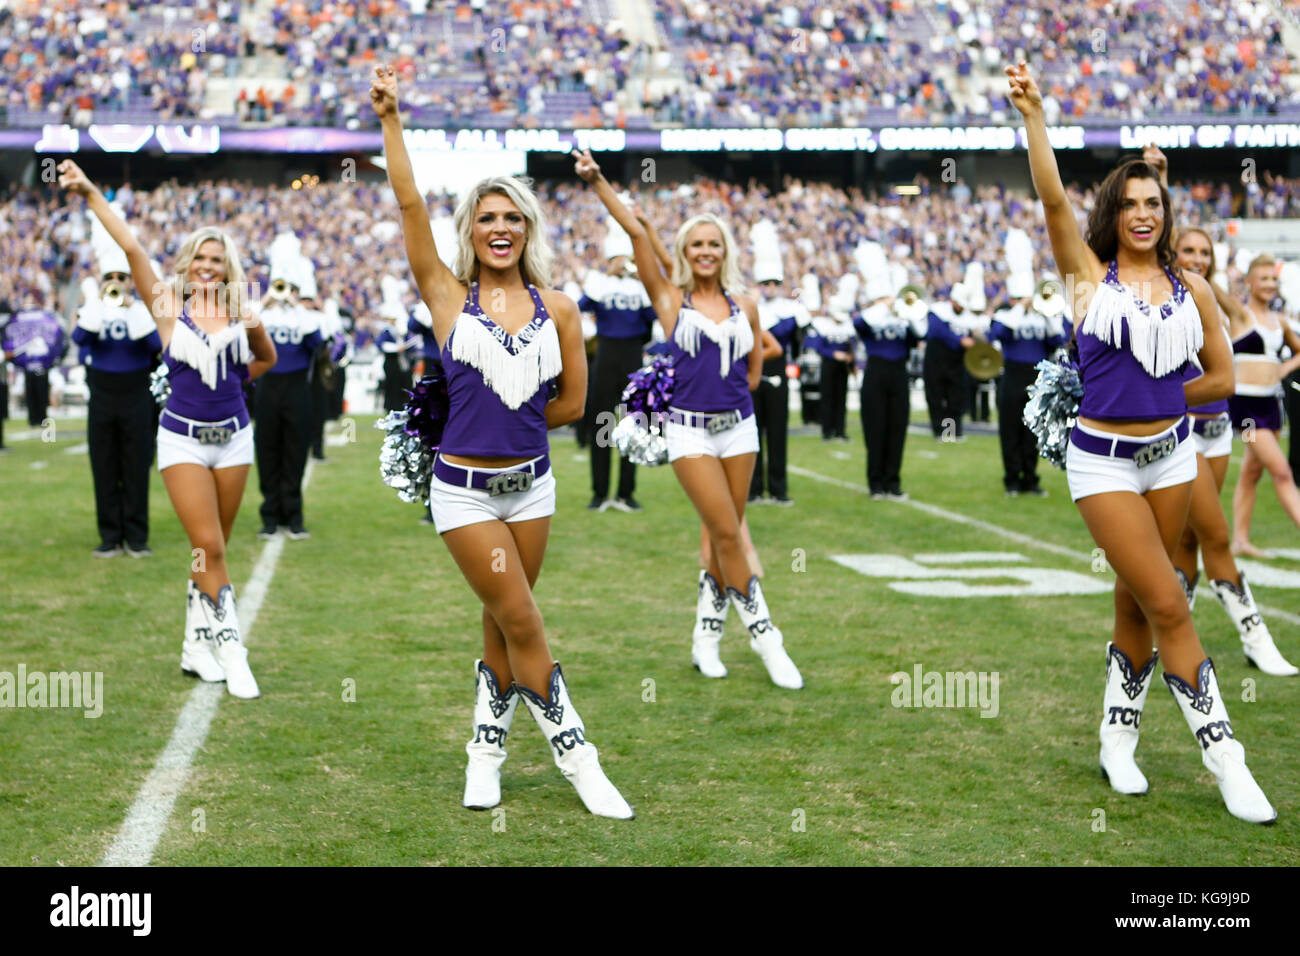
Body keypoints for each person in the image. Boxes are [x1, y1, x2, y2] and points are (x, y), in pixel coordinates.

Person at [1008, 61, 1275, 823]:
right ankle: (1228, 759)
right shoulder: (1085, 279)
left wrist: (1156, 395)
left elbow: (1221, 377)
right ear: (1113, 213)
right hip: (1104, 465)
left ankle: (1116, 737)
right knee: (1171, 603)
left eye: (1153, 202)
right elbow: (1052, 196)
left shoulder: (1191, 289)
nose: (1142, 214)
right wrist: (1035, 118)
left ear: (1166, 210)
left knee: (1138, 605)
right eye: (1128, 204)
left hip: (1174, 454)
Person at [372, 65, 632, 818]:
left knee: (500, 622)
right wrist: (392, 120)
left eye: (511, 218)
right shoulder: (447, 297)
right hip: (463, 493)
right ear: (471, 231)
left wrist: (508, 422)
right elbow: (409, 203)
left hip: (533, 487)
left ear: (527, 230)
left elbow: (573, 405)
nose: (498, 229)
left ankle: (483, 753)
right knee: (524, 620)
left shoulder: (561, 308)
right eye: (486, 218)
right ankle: (580, 758)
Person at [575, 146, 803, 691]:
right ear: (684, 252)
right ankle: (767, 638)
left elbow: (752, 372)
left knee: (715, 539)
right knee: (728, 532)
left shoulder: (747, 304)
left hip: (740, 428)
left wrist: (731, 394)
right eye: (696, 245)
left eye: (713, 244)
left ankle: (705, 635)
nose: (705, 251)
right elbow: (634, 234)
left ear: (725, 253)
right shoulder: (670, 300)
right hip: (689, 431)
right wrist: (600, 180)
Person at [58, 159, 277, 700]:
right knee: (207, 544)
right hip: (181, 438)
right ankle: (231, 646)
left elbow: (266, 359)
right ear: (188, 263)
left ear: (228, 267)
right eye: (200, 258)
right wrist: (88, 191)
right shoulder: (165, 303)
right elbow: (132, 247)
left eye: (216, 259)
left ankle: (192, 647)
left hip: (234, 437)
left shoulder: (243, 311)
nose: (207, 266)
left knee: (214, 549)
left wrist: (230, 382)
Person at [1167, 226, 1298, 677]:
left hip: (1220, 428)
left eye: (1205, 252)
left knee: (1190, 537)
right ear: (1172, 251)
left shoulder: (1213, 304)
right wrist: (1161, 181)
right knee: (1216, 537)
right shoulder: (1165, 295)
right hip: (1182, 428)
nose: (1198, 258)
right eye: (1188, 250)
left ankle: (1171, 641)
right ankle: (1255, 636)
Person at [71, 232, 161, 558]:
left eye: (121, 277)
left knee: (136, 465)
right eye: (109, 277)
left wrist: (132, 308)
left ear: (131, 280)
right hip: (103, 393)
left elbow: (155, 347)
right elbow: (80, 338)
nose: (116, 282)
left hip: (136, 393)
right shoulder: (94, 309)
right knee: (104, 464)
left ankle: (137, 536)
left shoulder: (141, 310)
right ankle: (109, 536)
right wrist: (97, 303)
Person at [1224, 254, 1300, 558]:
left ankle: (1240, 540)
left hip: (1271, 404)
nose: (1269, 285)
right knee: (1281, 471)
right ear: (1250, 282)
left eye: (1273, 280)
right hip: (1246, 410)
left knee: (1251, 472)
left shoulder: (1279, 321)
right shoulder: (1241, 316)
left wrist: (1281, 370)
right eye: (1264, 278)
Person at [577, 223, 656, 512]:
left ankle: (626, 491)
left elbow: (653, 316)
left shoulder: (639, 285)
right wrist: (607, 276)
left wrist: (637, 276)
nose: (622, 264)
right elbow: (581, 305)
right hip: (606, 354)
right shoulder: (600, 282)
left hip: (632, 355)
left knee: (633, 425)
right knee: (602, 424)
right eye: (617, 259)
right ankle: (599, 492)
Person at [254, 243, 321, 540]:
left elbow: (316, 343)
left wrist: (295, 305)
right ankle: (269, 515)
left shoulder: (302, 316)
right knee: (267, 451)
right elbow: (242, 330)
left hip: (296, 389)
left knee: (295, 452)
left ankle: (294, 515)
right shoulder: (262, 314)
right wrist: (266, 300)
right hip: (267, 388)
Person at [987, 273, 1067, 496]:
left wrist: (1046, 312)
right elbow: (998, 333)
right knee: (1010, 430)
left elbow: (1058, 339)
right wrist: (1020, 308)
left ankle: (1031, 479)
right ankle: (1012, 480)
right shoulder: (1005, 314)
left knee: (1033, 431)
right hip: (1012, 375)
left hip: (1036, 376)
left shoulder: (1043, 315)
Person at [749, 230, 809, 505]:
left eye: (774, 282)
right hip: (751, 373)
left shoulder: (790, 309)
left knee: (777, 432)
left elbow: (796, 335)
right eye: (765, 283)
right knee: (752, 434)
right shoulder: (749, 308)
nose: (770, 287)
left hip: (777, 372)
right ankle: (753, 489)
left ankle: (778, 489)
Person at [855, 275, 923, 500]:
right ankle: (875, 483)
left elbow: (921, 333)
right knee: (875, 429)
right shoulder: (871, 317)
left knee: (897, 428)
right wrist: (882, 307)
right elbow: (859, 324)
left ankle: (893, 482)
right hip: (876, 373)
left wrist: (906, 312)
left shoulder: (903, 317)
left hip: (898, 373)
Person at [922, 277, 975, 440]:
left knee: (956, 397)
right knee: (936, 396)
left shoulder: (968, 317)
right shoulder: (938, 311)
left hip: (957, 362)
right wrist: (959, 340)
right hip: (937, 360)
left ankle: (952, 431)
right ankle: (940, 431)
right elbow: (938, 332)